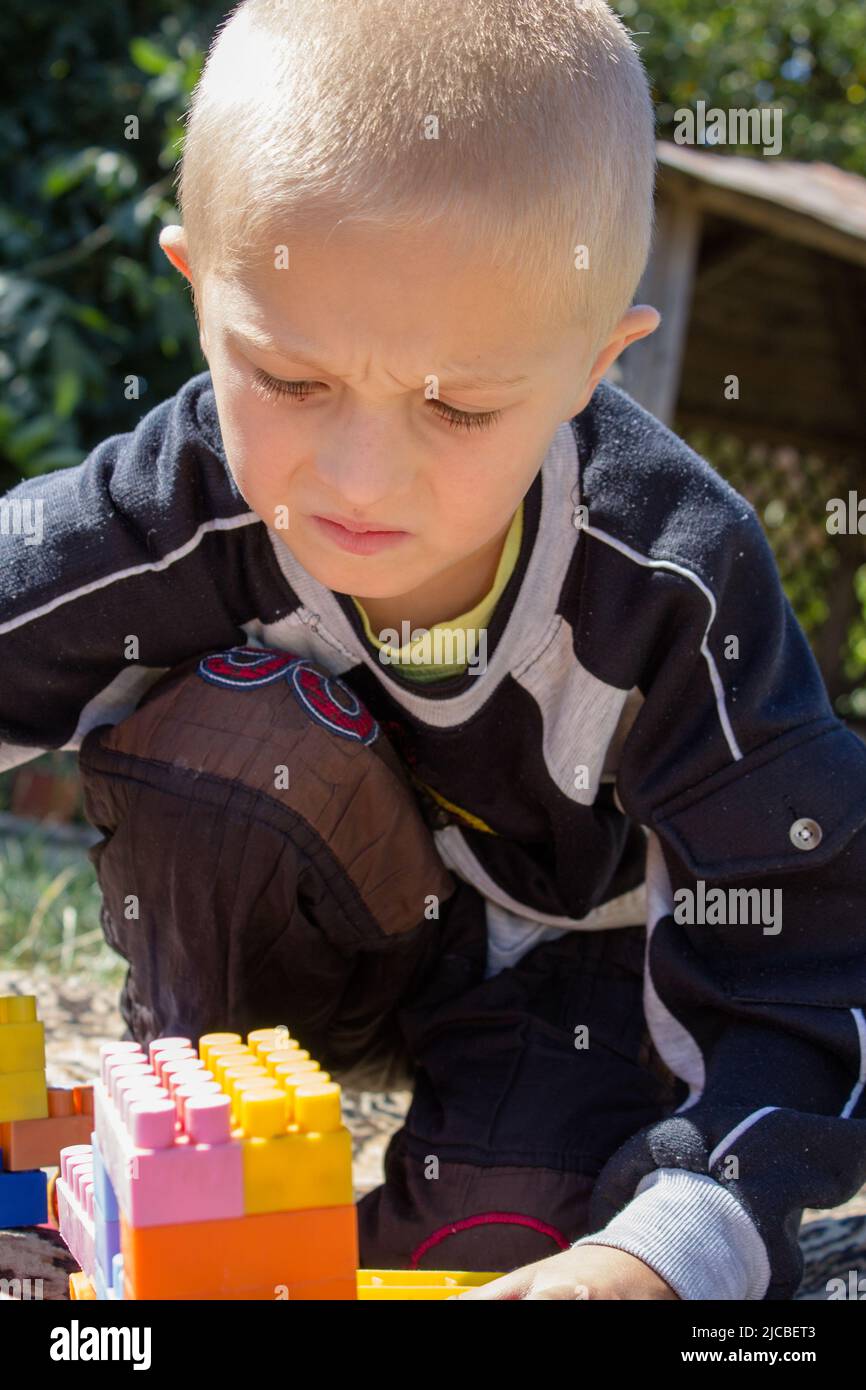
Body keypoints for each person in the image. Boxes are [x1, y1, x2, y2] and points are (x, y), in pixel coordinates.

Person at [2, 0, 865, 1301]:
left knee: (499, 1255)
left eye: (458, 405)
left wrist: (677, 1236)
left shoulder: (674, 582)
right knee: (222, 731)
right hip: (316, 946)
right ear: (198, 296)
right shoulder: (186, 495)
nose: (359, 476)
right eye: (289, 381)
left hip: (576, 990)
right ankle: (182, 1158)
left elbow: (807, 941)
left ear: (592, 362)